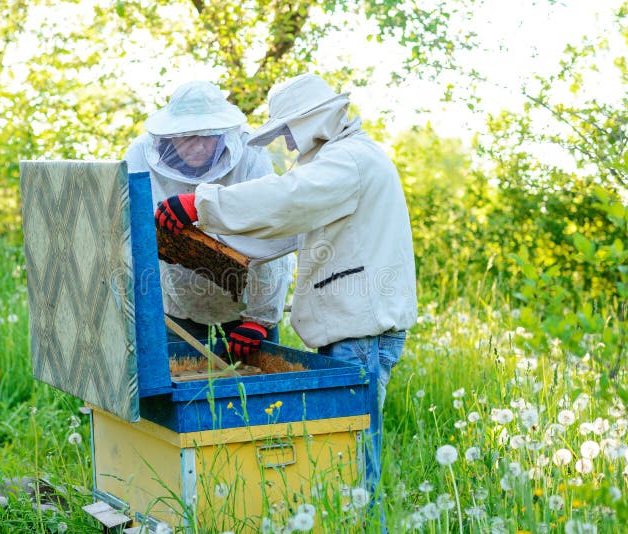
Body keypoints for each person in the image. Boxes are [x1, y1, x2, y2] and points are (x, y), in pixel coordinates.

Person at [154, 73, 417, 529]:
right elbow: (283, 234)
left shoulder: (348, 161)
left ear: (312, 119)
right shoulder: (341, 162)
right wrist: (206, 246)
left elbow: (285, 199)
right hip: (354, 334)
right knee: (347, 454)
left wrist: (202, 204)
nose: (289, 146)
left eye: (288, 132)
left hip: (363, 336)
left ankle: (363, 526)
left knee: (357, 456)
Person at [125, 81, 294, 359]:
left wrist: (259, 318)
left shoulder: (250, 153)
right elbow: (127, 227)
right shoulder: (140, 154)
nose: (199, 146)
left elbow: (272, 231)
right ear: (170, 135)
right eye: (188, 136)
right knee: (183, 392)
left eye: (208, 136)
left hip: (247, 301)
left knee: (256, 393)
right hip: (177, 296)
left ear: (223, 133)